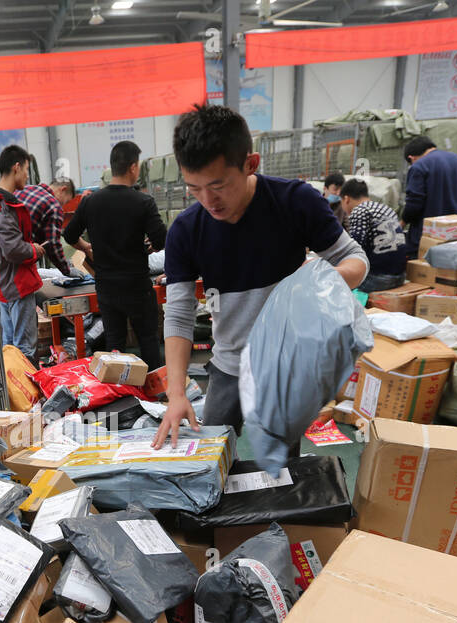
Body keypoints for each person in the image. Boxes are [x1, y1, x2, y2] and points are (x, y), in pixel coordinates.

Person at [153, 104, 368, 446]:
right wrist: (176, 393)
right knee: (211, 453)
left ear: (250, 164)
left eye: (218, 185)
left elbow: (355, 259)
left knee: (284, 468)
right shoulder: (186, 230)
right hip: (227, 366)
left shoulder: (294, 203)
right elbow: (179, 316)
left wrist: (320, 282)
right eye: (194, 188)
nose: (208, 200)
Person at [63, 140, 168, 366]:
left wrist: (86, 247)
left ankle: (120, 395)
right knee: (148, 340)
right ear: (132, 167)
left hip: (107, 287)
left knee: (115, 345)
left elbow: (69, 235)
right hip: (137, 286)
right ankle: (154, 394)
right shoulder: (143, 202)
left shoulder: (90, 202)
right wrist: (150, 246)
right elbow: (161, 239)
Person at [0, 145, 45, 359]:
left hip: (1, 282)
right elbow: (13, 249)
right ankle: (24, 391)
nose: (27, 175)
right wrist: (34, 250)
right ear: (16, 167)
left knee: (10, 345)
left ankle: (10, 390)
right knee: (24, 349)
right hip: (16, 283)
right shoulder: (2, 209)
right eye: (26, 169)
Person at [400, 136, 457, 258]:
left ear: (412, 158)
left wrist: (403, 221)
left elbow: (414, 203)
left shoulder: (419, 166)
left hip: (428, 235)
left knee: (425, 272)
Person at [339, 178, 407, 292]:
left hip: (379, 279)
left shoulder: (359, 210)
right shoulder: (386, 209)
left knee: (334, 281)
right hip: (400, 277)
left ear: (346, 199)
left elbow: (353, 249)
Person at [15, 176, 77, 276]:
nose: (63, 206)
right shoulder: (54, 206)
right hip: (19, 266)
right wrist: (67, 270)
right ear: (62, 189)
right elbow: (52, 244)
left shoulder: (25, 189)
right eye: (66, 201)